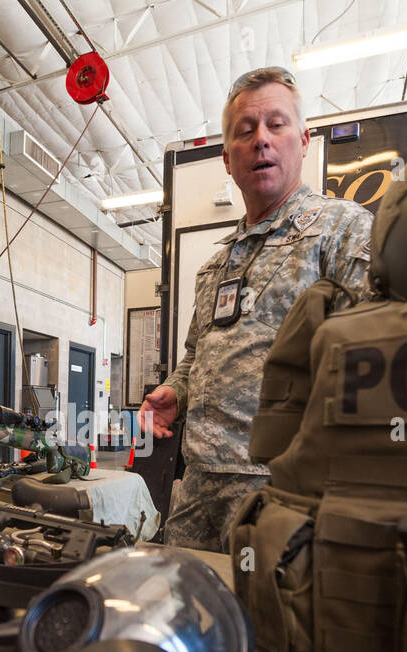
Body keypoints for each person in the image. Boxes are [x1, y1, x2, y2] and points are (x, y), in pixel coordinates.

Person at [139, 67, 376, 551]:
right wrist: (174, 392)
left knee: (274, 623)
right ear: (227, 160)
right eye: (245, 132)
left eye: (277, 125)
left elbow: (373, 360)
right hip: (197, 489)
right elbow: (195, 356)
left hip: (285, 491)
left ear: (304, 140)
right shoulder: (216, 264)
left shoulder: (343, 231)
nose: (261, 141)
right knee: (194, 615)